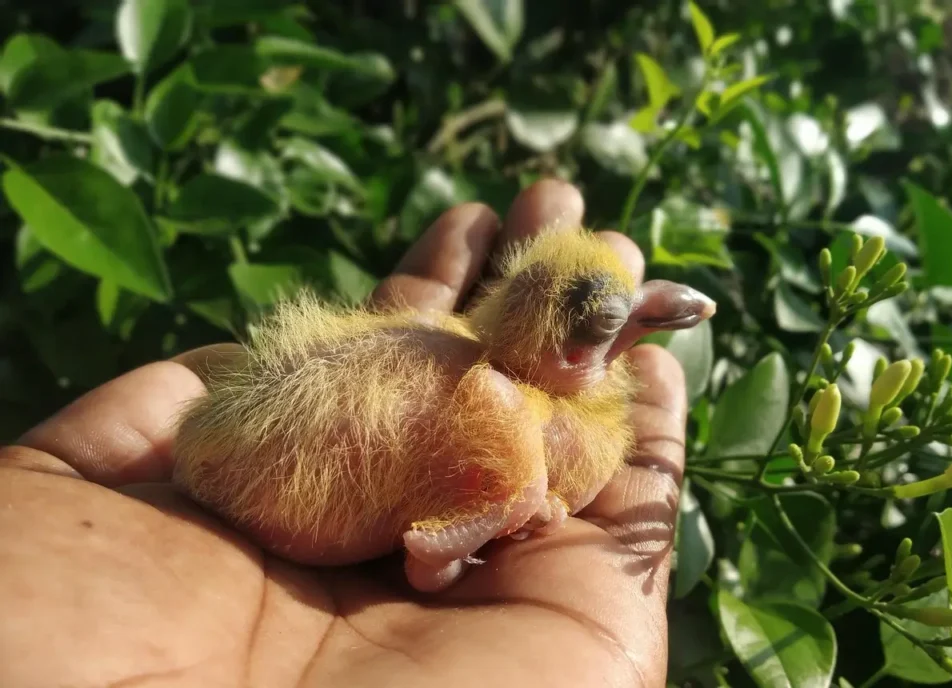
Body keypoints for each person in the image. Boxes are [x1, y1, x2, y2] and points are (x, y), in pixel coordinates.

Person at [0, 179, 687, 687]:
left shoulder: (461, 345)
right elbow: (493, 396)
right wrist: (514, 498)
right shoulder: (524, 406)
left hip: (226, 462)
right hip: (279, 495)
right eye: (606, 333)